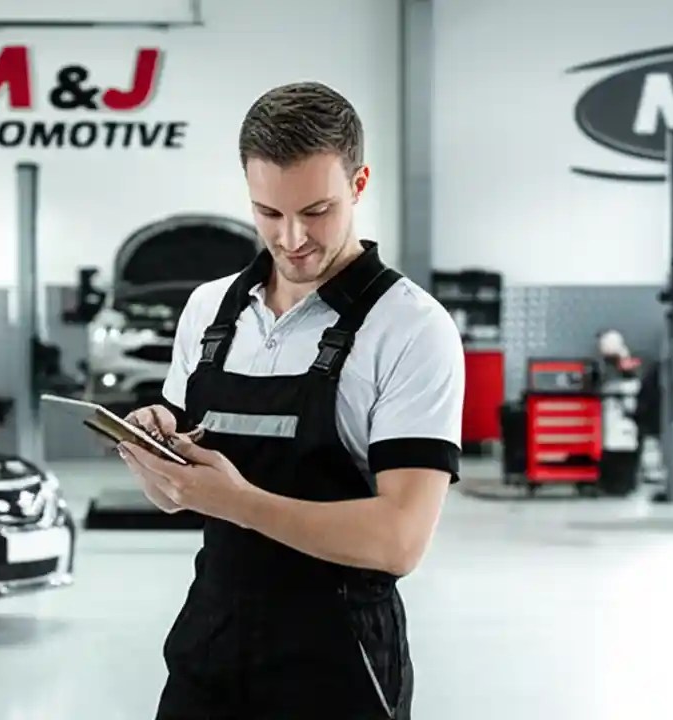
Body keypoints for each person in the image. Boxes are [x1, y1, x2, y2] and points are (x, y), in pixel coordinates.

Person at [115, 81, 465, 719]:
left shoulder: (411, 327)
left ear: (359, 184)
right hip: (209, 642)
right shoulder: (208, 311)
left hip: (338, 660)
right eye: (269, 213)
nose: (293, 237)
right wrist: (157, 453)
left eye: (317, 210)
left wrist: (237, 502)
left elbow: (400, 541)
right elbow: (176, 493)